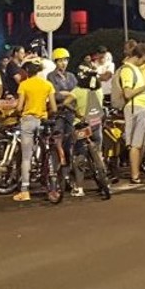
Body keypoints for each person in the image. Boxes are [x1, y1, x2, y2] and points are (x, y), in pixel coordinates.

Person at [12, 58, 57, 202]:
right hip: (43, 121)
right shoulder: (48, 85)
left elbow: (19, 107)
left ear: (27, 72)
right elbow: (54, 108)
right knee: (45, 150)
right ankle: (49, 181)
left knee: (26, 156)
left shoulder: (24, 85)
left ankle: (25, 190)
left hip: (28, 121)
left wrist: (16, 112)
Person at [120, 41, 145, 185]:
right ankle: (135, 176)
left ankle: (136, 171)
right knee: (136, 144)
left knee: (143, 143)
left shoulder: (134, 68)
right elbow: (128, 93)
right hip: (135, 107)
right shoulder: (127, 70)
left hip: (140, 107)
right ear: (138, 56)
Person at [69, 64, 105, 196]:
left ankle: (79, 188)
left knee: (80, 156)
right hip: (96, 124)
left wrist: (75, 112)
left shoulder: (78, 91)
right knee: (98, 153)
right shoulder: (99, 90)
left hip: (82, 126)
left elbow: (67, 102)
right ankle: (103, 180)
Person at [47, 47, 79, 191]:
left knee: (69, 145)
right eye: (60, 61)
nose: (63, 63)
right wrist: (68, 94)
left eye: (65, 60)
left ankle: (67, 177)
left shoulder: (72, 76)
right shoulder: (50, 76)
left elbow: (77, 93)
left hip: (71, 113)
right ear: (55, 62)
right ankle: (55, 178)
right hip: (59, 114)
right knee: (57, 144)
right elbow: (55, 95)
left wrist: (66, 94)